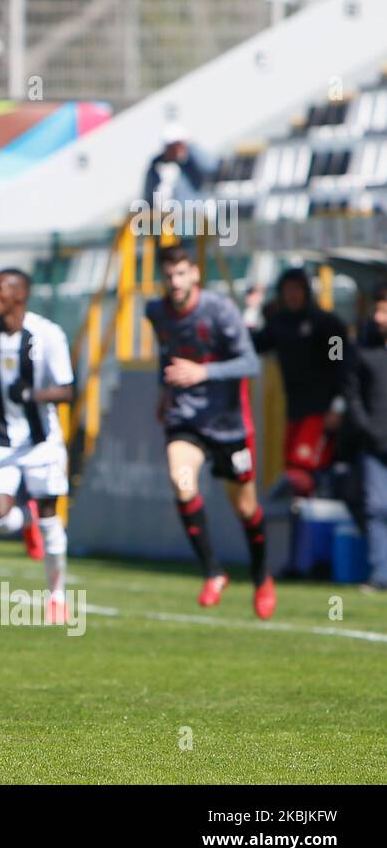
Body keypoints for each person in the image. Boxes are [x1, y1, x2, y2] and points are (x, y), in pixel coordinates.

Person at [145, 244, 275, 618]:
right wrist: (162, 390)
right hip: (185, 420)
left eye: (182, 273)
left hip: (228, 424)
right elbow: (165, 353)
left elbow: (250, 362)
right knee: (180, 478)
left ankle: (262, 576)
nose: (175, 282)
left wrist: (204, 372)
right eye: (169, 275)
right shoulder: (156, 311)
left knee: (246, 508)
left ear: (195, 274)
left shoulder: (219, 310)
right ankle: (213, 573)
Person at [0, 269, 75, 621]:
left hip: (42, 442)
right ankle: (29, 515)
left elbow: (68, 389)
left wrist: (34, 395)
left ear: (19, 295)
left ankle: (57, 597)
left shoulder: (48, 334)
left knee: (53, 524)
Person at [246, 268, 348, 497]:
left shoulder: (328, 326)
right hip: (294, 412)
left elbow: (342, 365)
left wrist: (339, 406)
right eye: (287, 291)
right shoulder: (279, 324)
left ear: (306, 292)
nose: (292, 295)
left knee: (302, 471)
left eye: (297, 290)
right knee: (294, 469)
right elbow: (255, 343)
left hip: (321, 412)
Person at [343, 285, 387, 594]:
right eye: (377, 309)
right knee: (374, 506)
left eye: (384, 310)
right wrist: (367, 428)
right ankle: (380, 573)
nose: (379, 316)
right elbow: (352, 394)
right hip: (373, 442)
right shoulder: (362, 348)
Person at [143, 123, 213, 211]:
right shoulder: (156, 170)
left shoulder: (193, 168)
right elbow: (149, 198)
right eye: (173, 147)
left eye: (180, 146)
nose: (178, 151)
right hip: (165, 219)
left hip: (192, 218)